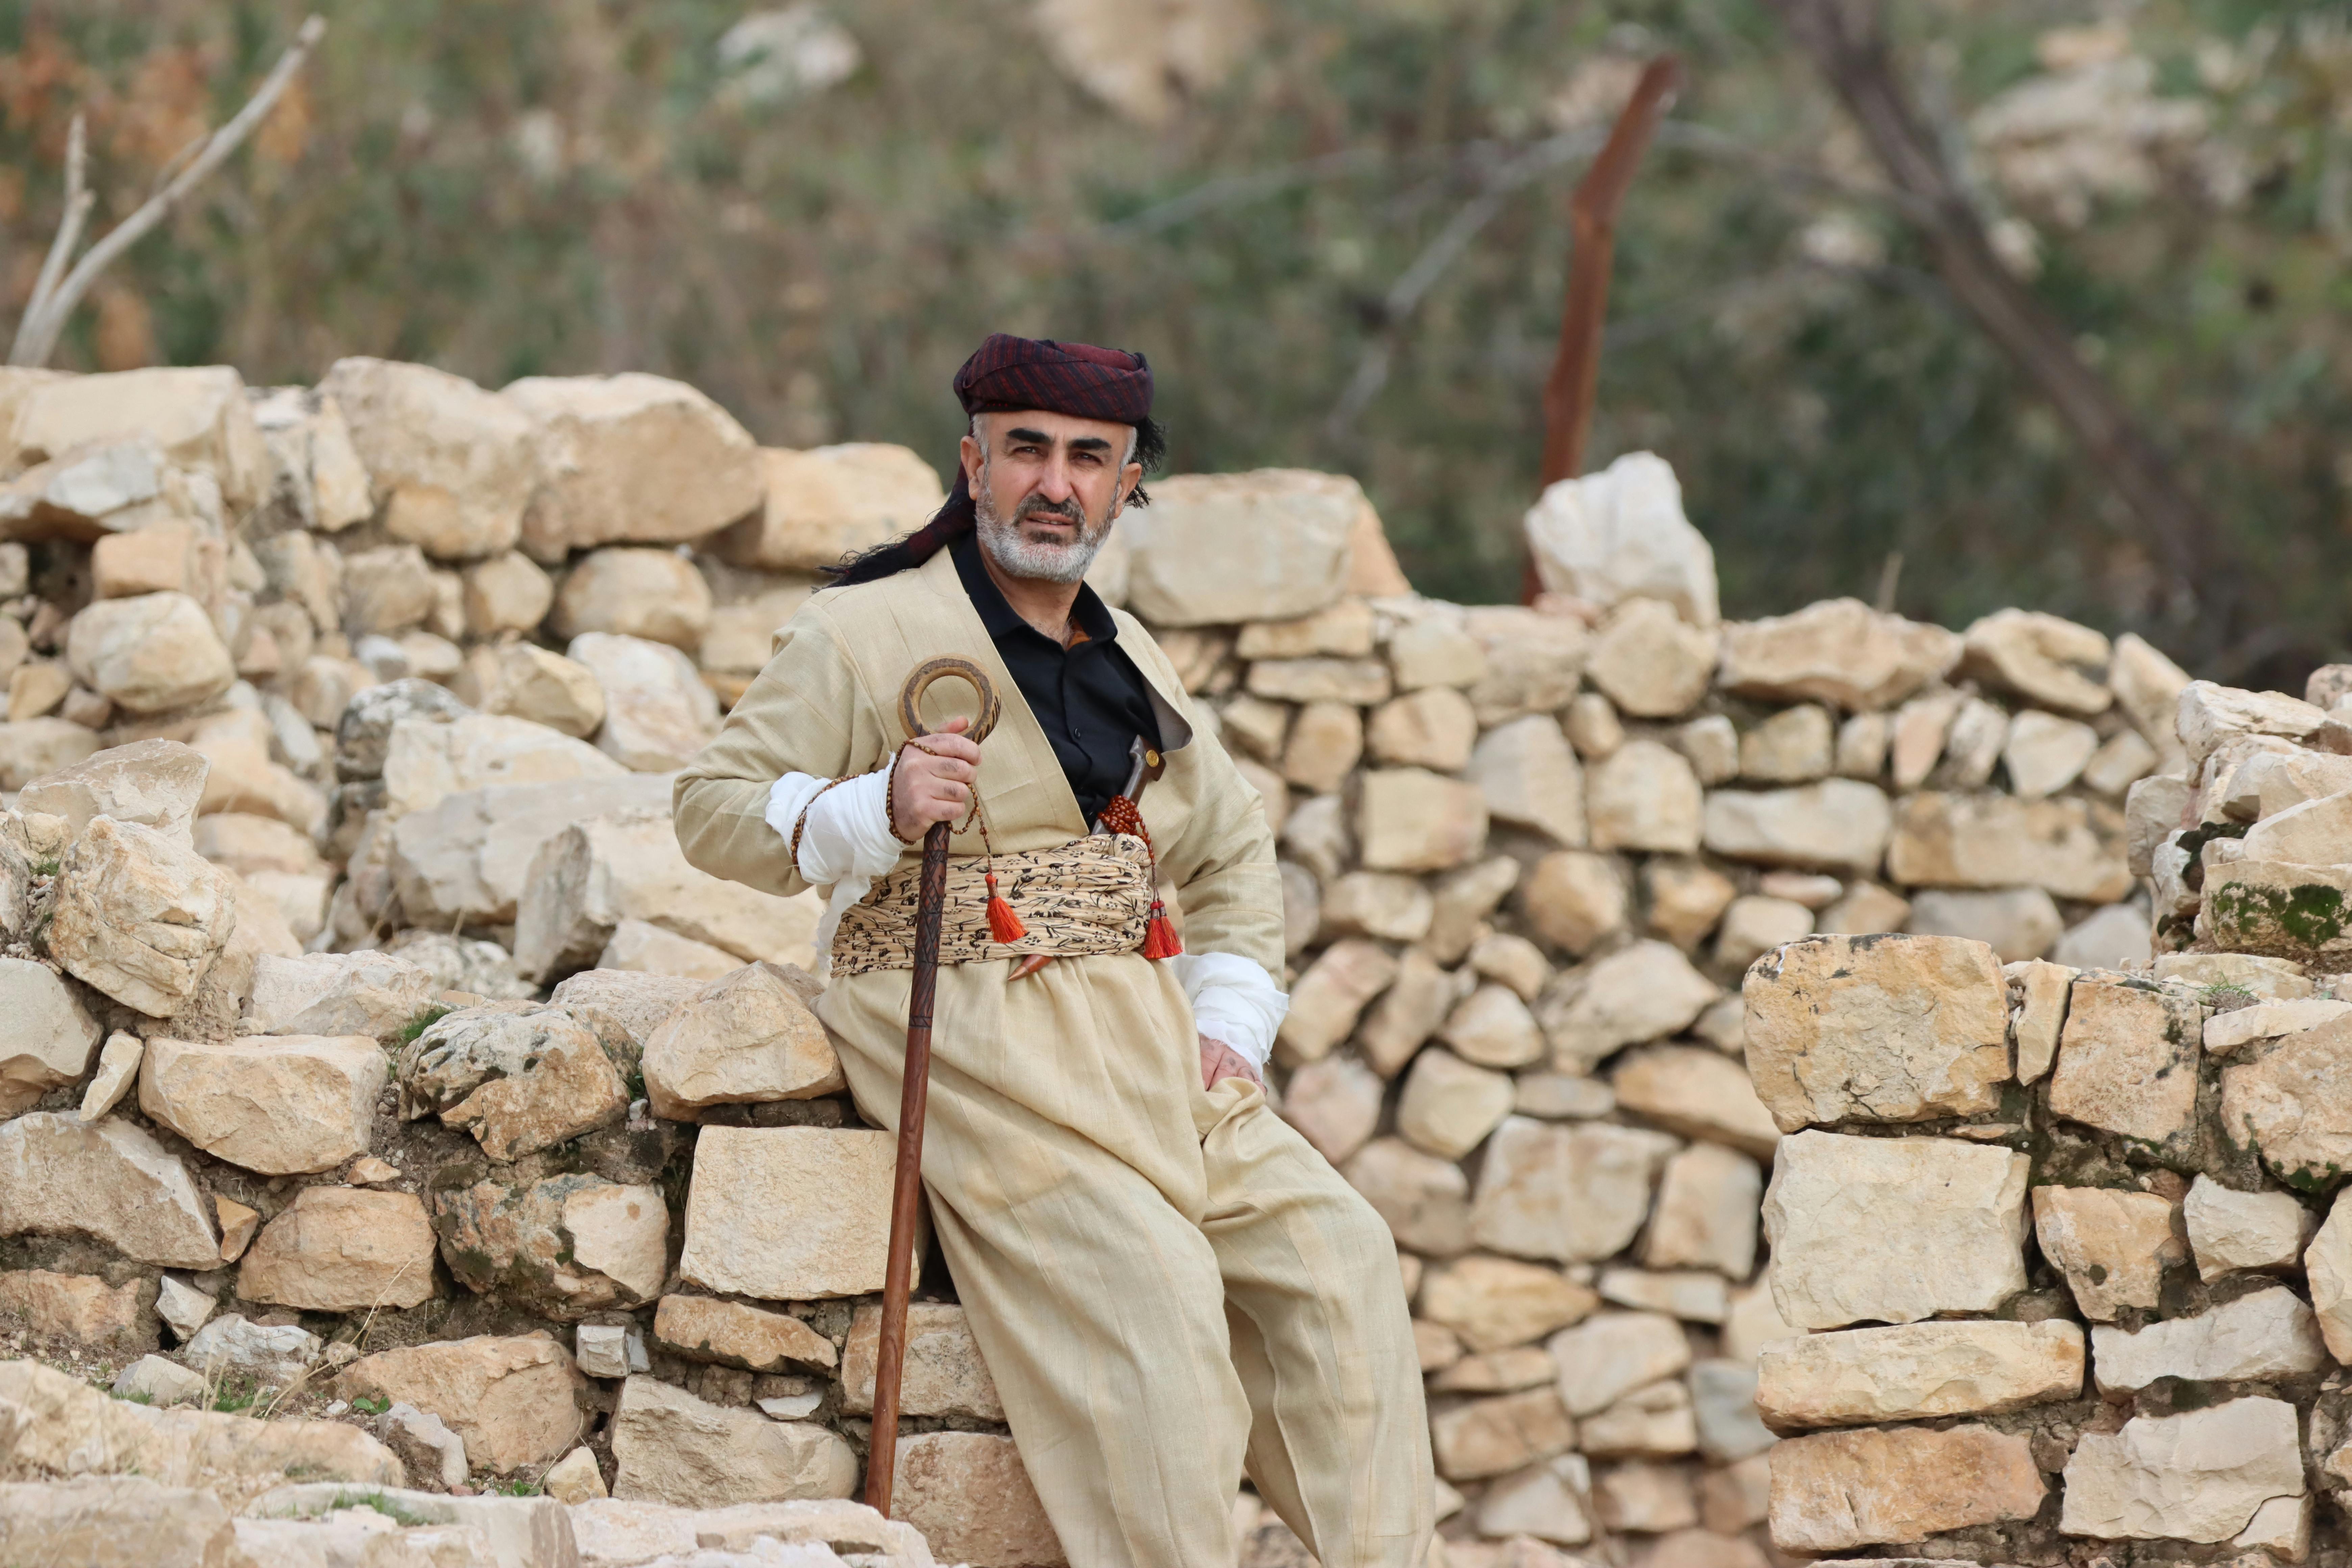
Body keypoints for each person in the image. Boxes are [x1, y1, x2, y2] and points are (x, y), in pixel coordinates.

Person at [673, 333, 1434, 1565]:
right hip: (975, 1040)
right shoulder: (866, 631)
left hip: (1145, 1040)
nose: (1055, 483)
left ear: (1126, 485)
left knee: (1341, 1258)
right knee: (1158, 1319)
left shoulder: (1128, 651)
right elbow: (710, 808)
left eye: (1089, 458)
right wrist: (874, 804)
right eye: (1026, 450)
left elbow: (1230, 847)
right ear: (974, 464)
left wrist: (1231, 1025)